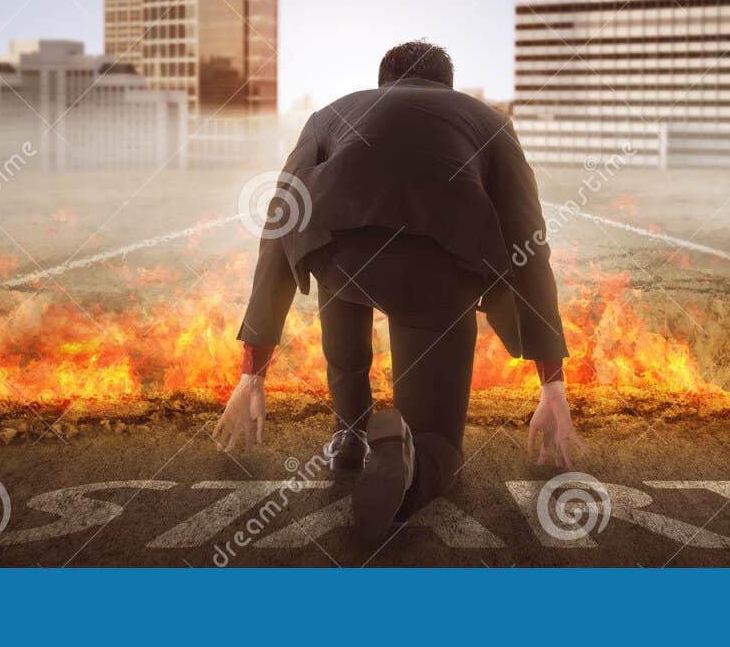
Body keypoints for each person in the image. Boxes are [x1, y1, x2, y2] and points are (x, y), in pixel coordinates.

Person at [212, 40, 581, 543]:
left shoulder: (331, 115)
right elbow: (528, 243)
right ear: (446, 86)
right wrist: (552, 384)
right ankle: (410, 459)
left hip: (338, 254)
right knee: (439, 444)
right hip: (438, 269)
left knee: (336, 253)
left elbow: (283, 221)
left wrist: (251, 374)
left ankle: (350, 431)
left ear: (383, 81)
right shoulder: (488, 121)